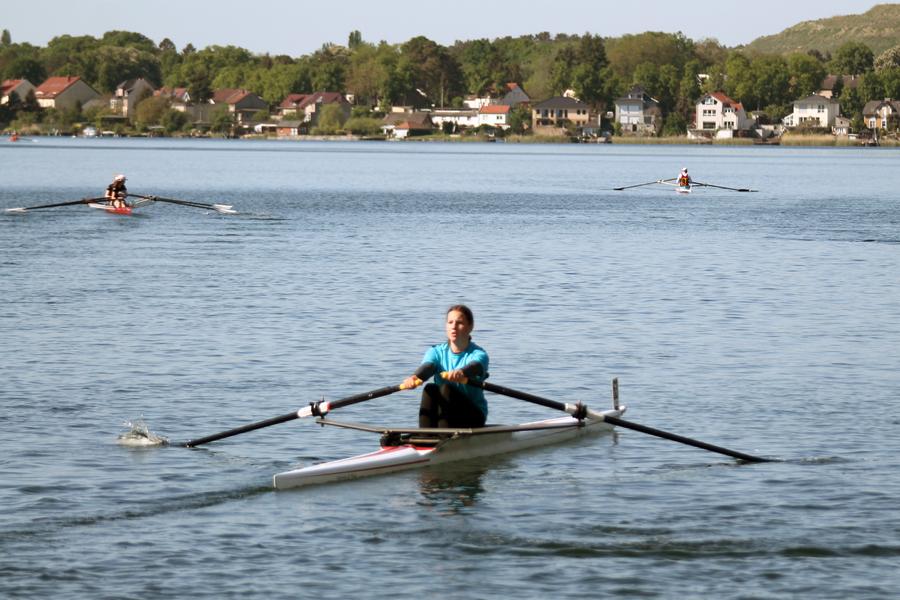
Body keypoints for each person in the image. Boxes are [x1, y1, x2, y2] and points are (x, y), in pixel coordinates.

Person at [402, 305, 489, 429]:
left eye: (459, 323)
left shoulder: (479, 354)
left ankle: (444, 436)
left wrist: (461, 372)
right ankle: (425, 435)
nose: (453, 326)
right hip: (444, 415)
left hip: (473, 416)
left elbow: (475, 366)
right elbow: (428, 367)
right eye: (450, 322)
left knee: (446, 388)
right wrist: (415, 377)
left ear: (470, 327)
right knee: (430, 388)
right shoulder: (436, 352)